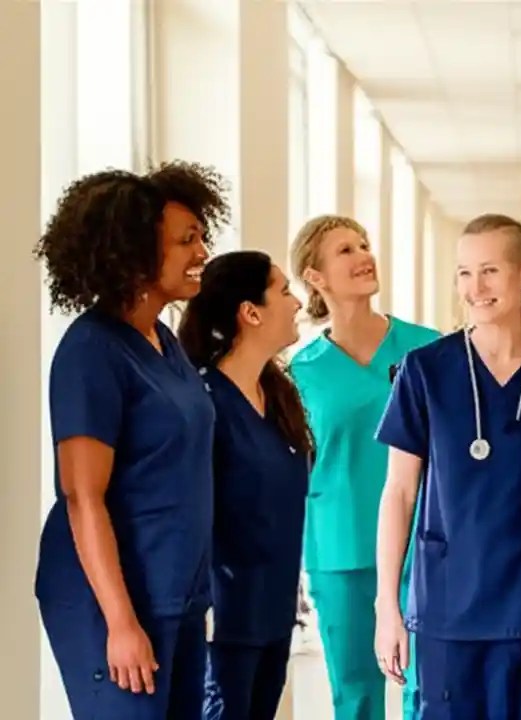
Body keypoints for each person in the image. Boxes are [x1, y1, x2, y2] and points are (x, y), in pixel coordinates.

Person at [372, 213, 521, 719]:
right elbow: (398, 492)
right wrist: (386, 607)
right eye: (463, 272)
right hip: (447, 608)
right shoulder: (426, 371)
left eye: (489, 271)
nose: (474, 287)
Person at [33, 162, 229, 719]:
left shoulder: (164, 341)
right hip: (111, 600)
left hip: (179, 597)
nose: (201, 252)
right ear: (135, 254)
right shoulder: (92, 351)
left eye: (200, 236)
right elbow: (82, 496)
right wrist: (119, 621)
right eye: (186, 240)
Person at [289, 215, 441, 720]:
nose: (363, 256)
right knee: (354, 692)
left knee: (429, 685)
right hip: (339, 547)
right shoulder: (300, 372)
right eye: (346, 251)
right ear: (316, 277)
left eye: (365, 245)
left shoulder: (427, 349)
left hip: (425, 541)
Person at [177, 251, 311, 720]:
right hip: (226, 621)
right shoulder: (205, 402)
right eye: (284, 291)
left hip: (274, 614)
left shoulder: (277, 397)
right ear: (250, 312)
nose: (297, 303)